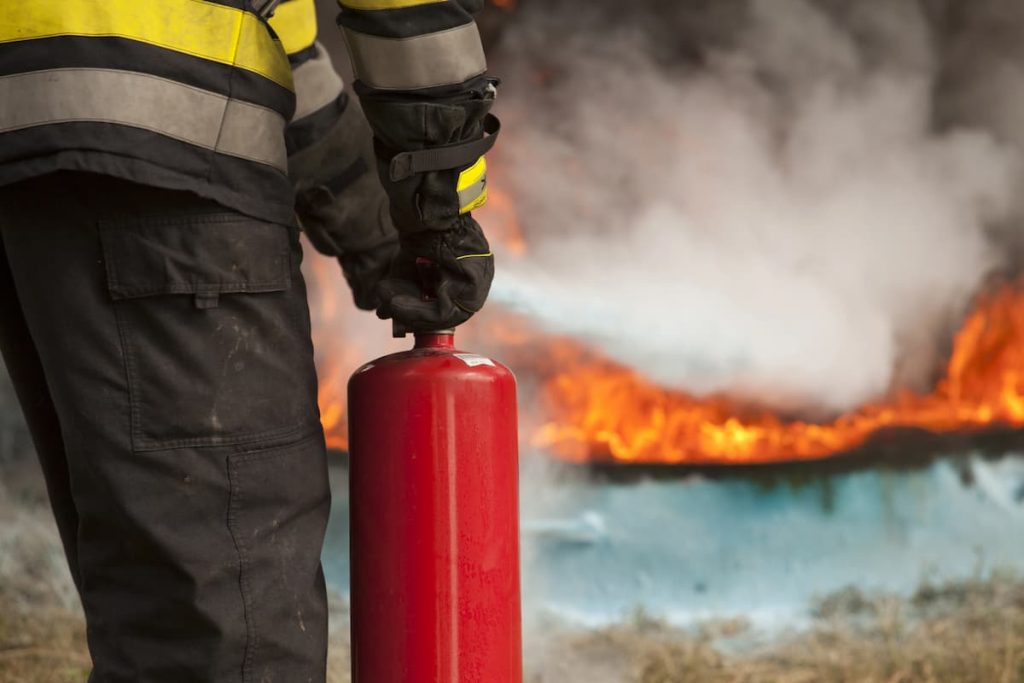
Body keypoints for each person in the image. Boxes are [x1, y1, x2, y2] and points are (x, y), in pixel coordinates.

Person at [0, 0, 498, 679]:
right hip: (166, 170)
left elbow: (266, 37)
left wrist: (374, 220)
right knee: (231, 630)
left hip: (38, 139)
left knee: (159, 602)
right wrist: (443, 206)